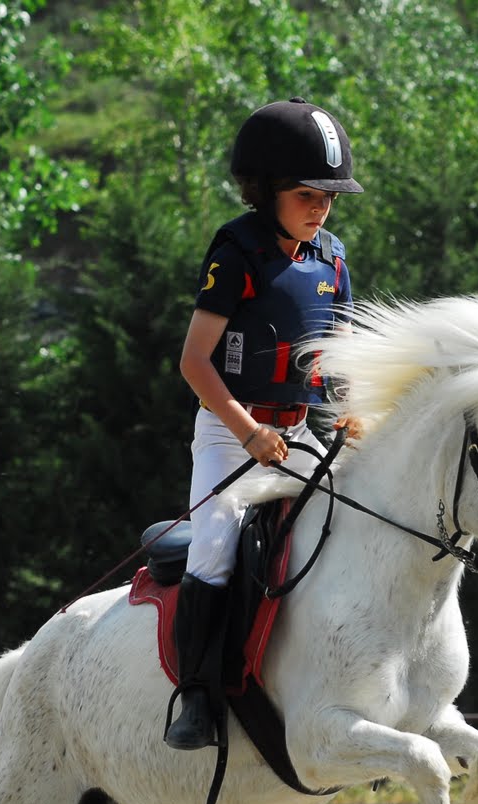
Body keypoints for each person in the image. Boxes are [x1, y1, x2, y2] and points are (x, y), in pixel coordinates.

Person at [165, 97, 364, 751]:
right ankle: (194, 695)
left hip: (302, 432)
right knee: (215, 546)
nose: (321, 209)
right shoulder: (237, 251)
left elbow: (336, 364)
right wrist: (248, 431)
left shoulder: (332, 260)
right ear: (266, 190)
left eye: (329, 197)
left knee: (353, 529)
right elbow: (195, 362)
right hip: (230, 433)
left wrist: (350, 412)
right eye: (308, 194)